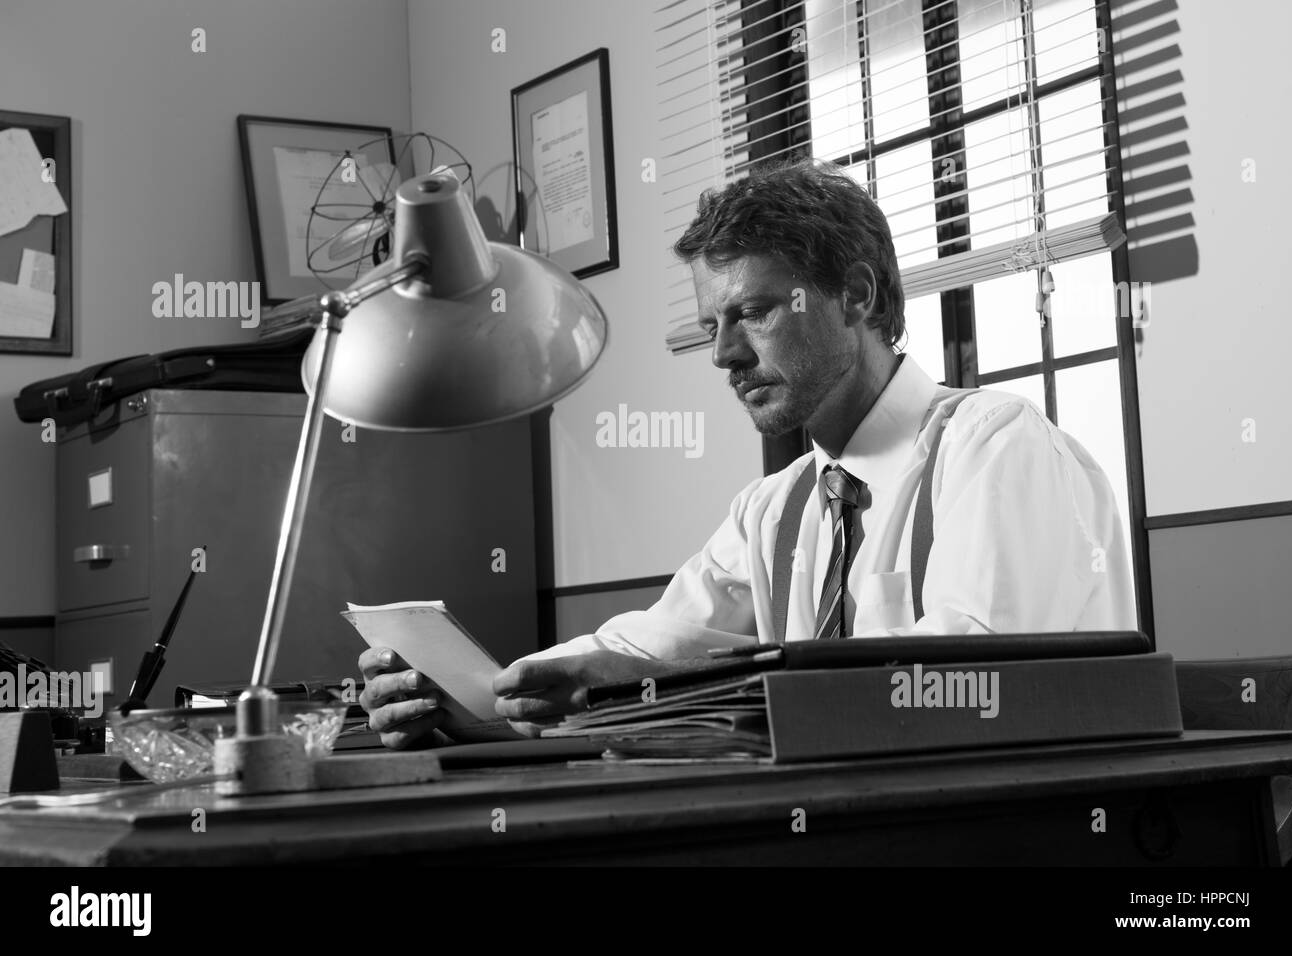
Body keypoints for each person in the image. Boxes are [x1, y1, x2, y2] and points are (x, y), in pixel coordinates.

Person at [358, 158, 1137, 748]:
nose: (724, 355)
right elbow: (651, 644)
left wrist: (670, 683)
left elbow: (966, 689)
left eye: (753, 313)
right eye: (711, 326)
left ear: (856, 297)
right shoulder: (778, 506)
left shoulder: (999, 448)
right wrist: (480, 700)